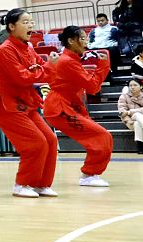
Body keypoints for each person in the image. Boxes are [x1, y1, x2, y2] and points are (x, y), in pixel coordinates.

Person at [0, 8, 59, 199]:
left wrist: (45, 69)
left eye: (31, 21)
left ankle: (41, 184)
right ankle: (22, 184)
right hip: (6, 104)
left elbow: (37, 73)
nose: (31, 25)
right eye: (26, 22)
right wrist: (48, 67)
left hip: (25, 101)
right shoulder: (5, 50)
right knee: (36, 143)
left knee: (50, 140)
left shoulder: (28, 47)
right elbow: (24, 77)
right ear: (11, 26)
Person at [42, 26, 113, 187]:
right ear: (71, 41)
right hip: (60, 108)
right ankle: (88, 175)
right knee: (102, 137)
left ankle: (90, 173)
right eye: (82, 38)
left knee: (100, 138)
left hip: (68, 106)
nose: (86, 41)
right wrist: (103, 65)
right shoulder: (67, 62)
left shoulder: (71, 59)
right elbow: (93, 87)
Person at [118, 79, 143, 154]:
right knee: (136, 116)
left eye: (135, 85)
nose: (132, 87)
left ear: (141, 86)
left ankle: (140, 146)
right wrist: (128, 121)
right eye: (130, 85)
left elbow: (126, 112)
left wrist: (130, 112)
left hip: (139, 120)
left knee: (137, 124)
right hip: (130, 120)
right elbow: (122, 112)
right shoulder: (123, 97)